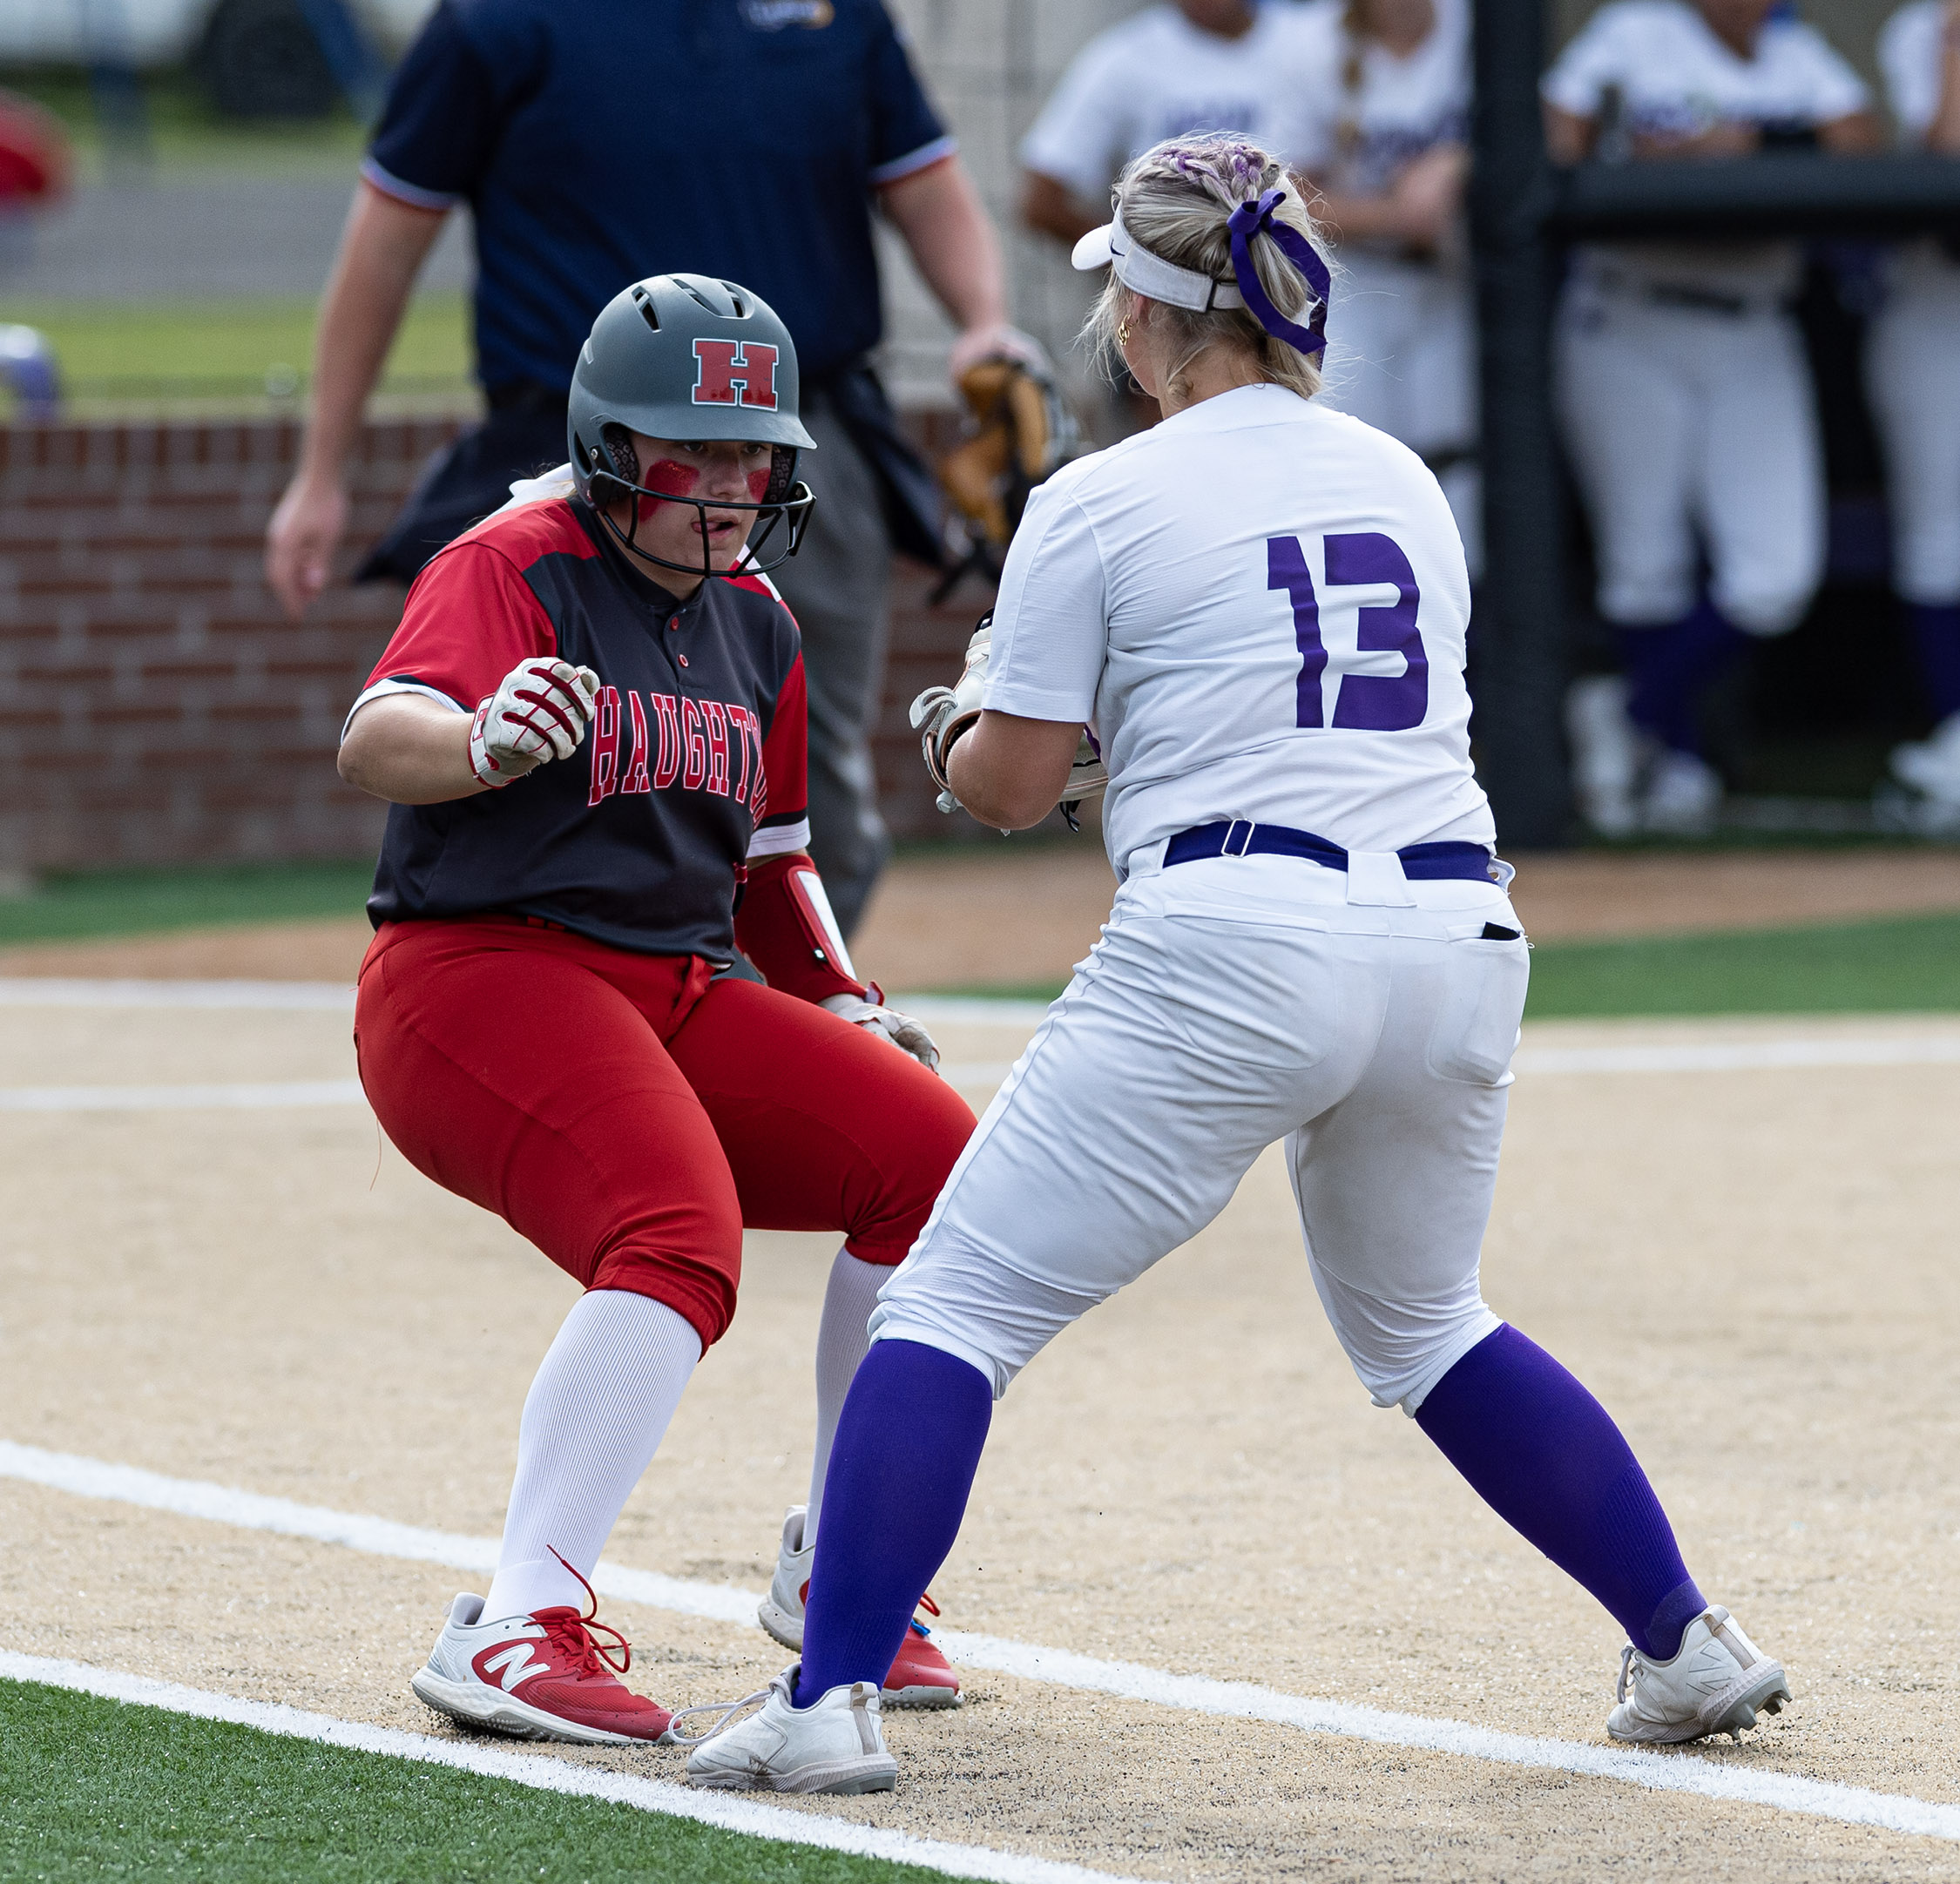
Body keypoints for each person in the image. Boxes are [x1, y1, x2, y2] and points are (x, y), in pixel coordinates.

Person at [676, 137, 1791, 1794]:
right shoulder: (1400, 475)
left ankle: (829, 1696)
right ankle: (1686, 1638)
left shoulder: (1100, 495)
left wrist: (973, 701)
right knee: (1429, 1327)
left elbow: (998, 785)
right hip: (1452, 936)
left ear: (1149, 316)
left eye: (1120, 294)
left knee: (948, 1302)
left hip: (1235, 940)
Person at [340, 274, 977, 1745]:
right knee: (673, 1227)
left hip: (676, 977)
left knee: (940, 1160)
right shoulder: (517, 558)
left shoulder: (756, 619)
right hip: (477, 966)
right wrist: (481, 738)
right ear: (614, 447)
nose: (734, 486)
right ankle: (518, 1621)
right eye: (699, 453)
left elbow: (774, 858)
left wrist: (840, 996)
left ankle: (848, 1575)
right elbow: (376, 736)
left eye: (756, 456)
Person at [268, 0, 1030, 940]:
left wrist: (984, 321)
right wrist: (321, 469)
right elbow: (388, 236)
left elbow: (924, 182)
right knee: (547, 761)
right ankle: (574, 1013)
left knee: (805, 796)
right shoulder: (492, 20)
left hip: (794, 443)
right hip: (583, 452)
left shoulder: (840, 16)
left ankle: (772, 1018)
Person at [1543, 0, 1880, 837]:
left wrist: (1749, 147)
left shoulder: (1795, 52)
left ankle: (1628, 709)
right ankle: (1676, 764)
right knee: (1644, 563)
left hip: (1754, 317)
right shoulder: (1633, 34)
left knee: (1775, 575)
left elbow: (1863, 151)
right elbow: (1554, 146)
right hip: (1630, 314)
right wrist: (1651, 155)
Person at [1286, 0, 1478, 572]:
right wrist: (1396, 215)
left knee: (1459, 493)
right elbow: (1282, 190)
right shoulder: (1308, 41)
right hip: (1351, 284)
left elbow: (1554, 132)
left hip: (1452, 281)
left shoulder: (1471, 26)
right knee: (1352, 485)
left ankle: (1464, 651)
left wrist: (1454, 162)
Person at [1018, 0, 1322, 249]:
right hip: (1181, 301)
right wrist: (1143, 259)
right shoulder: (1125, 57)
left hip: (1304, 284)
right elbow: (1041, 201)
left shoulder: (1312, 43)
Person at [1870, 0, 1960, 830]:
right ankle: (1951, 744)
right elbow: (1946, 152)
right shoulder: (1922, 29)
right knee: (1941, 536)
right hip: (1938, 311)